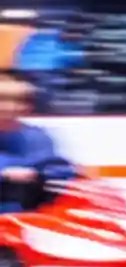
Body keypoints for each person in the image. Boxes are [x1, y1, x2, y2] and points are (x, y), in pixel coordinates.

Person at [0, 72, 76, 212]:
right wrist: (4, 175)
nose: (11, 107)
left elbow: (58, 171)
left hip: (24, 218)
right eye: (2, 100)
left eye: (20, 100)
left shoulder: (37, 137)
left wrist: (40, 175)